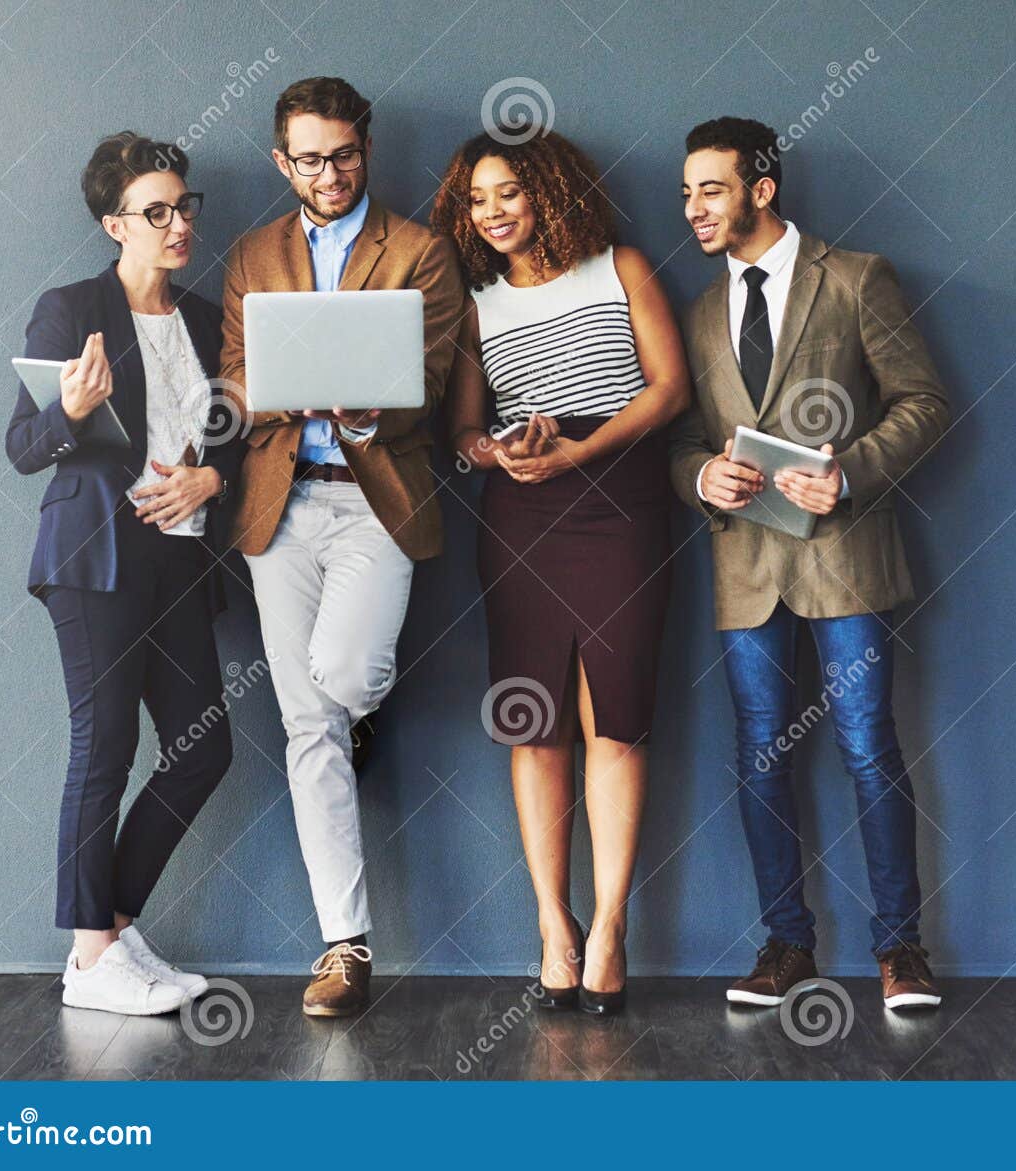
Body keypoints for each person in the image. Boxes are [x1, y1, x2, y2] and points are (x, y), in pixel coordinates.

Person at [671, 117, 949, 1010]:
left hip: (846, 559)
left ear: (762, 187)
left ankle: (901, 949)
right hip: (747, 567)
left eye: (710, 190)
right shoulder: (696, 310)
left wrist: (852, 470)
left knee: (870, 748)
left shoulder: (858, 278)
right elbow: (681, 443)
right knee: (760, 758)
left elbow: (926, 402)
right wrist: (701, 475)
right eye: (686, 193)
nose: (693, 209)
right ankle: (787, 944)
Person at [220, 77, 466, 1017]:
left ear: (367, 147)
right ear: (284, 163)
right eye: (310, 158)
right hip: (278, 509)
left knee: (342, 678)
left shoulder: (419, 250)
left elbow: (434, 377)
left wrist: (374, 404)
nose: (330, 173)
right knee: (306, 729)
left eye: (346, 153)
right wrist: (293, 391)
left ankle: (359, 704)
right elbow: (237, 385)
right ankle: (345, 946)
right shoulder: (252, 255)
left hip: (377, 499)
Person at [437, 127, 690, 1015]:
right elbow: (465, 433)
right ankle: (554, 924)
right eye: (476, 199)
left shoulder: (620, 266)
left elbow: (668, 391)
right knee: (534, 721)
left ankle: (612, 926)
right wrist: (496, 450)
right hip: (520, 514)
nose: (492, 212)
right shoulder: (475, 303)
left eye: (507, 191)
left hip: (620, 502)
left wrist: (582, 450)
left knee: (613, 718)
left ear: (550, 190)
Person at [5, 131, 241, 1015]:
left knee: (203, 748)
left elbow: (243, 439)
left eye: (186, 205)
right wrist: (68, 410)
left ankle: (112, 926)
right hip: (92, 559)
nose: (179, 223)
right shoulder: (69, 309)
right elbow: (22, 447)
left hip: (181, 561)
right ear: (116, 224)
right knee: (103, 747)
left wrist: (214, 475)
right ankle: (87, 956)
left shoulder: (213, 318)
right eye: (157, 211)